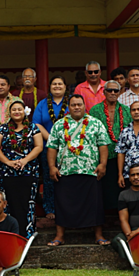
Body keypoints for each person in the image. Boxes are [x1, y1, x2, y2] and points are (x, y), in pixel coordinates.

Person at [46, 94, 111, 246]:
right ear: (68, 107)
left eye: (79, 104)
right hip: (65, 171)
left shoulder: (95, 123)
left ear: (84, 106)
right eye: (73, 105)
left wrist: (103, 164)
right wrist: (52, 167)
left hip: (90, 171)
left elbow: (103, 145)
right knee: (62, 204)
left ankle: (99, 235)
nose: (76, 107)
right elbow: (52, 147)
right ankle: (59, 236)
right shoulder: (59, 124)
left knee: (95, 204)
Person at [0, 100, 43, 238]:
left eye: (19, 109)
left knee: (27, 203)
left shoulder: (33, 128)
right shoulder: (3, 129)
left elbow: (39, 146)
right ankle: (10, 234)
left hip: (29, 171)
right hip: (8, 172)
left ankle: (28, 234)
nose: (17, 112)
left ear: (25, 111)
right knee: (10, 202)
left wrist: (25, 160)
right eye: (14, 109)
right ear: (10, 113)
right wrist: (8, 162)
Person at [89, 81, 131, 213]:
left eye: (116, 91)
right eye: (109, 90)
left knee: (121, 186)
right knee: (104, 187)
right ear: (104, 92)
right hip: (102, 156)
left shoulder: (126, 110)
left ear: (120, 93)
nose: (112, 93)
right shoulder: (95, 110)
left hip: (123, 156)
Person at [32, 75, 69, 220]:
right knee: (49, 178)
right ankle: (50, 208)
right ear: (50, 87)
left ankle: (66, 208)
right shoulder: (43, 104)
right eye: (54, 84)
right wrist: (52, 140)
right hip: (48, 146)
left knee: (67, 178)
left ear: (65, 87)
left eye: (60, 84)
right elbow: (36, 123)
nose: (57, 86)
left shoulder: (71, 102)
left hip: (69, 147)